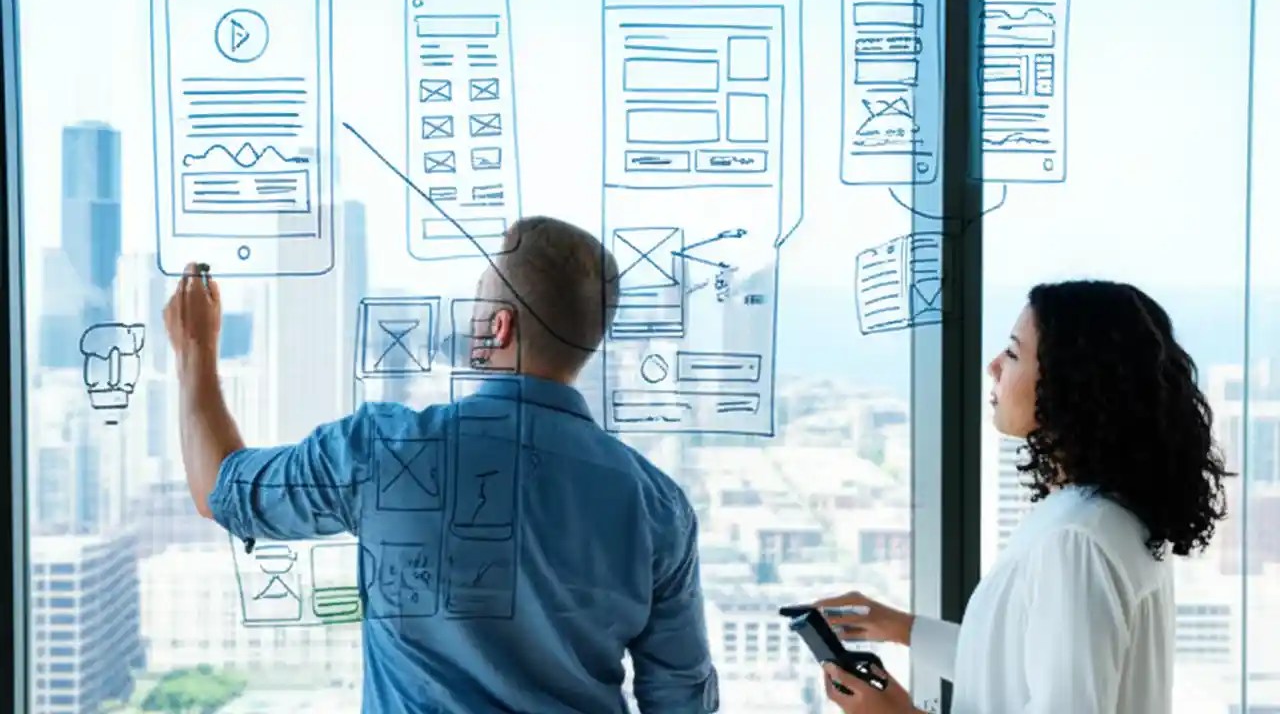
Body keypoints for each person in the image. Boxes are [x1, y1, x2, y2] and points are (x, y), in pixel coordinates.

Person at [163, 216, 720, 714]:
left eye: (477, 302)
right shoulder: (658, 505)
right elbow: (681, 699)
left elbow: (223, 491)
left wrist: (196, 352)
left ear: (499, 327)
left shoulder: (383, 449)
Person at [811, 280, 1232, 714]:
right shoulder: (1104, 516)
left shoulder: (1074, 539)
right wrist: (899, 627)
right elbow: (1016, 665)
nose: (994, 366)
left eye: (1013, 353)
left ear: (1071, 383)